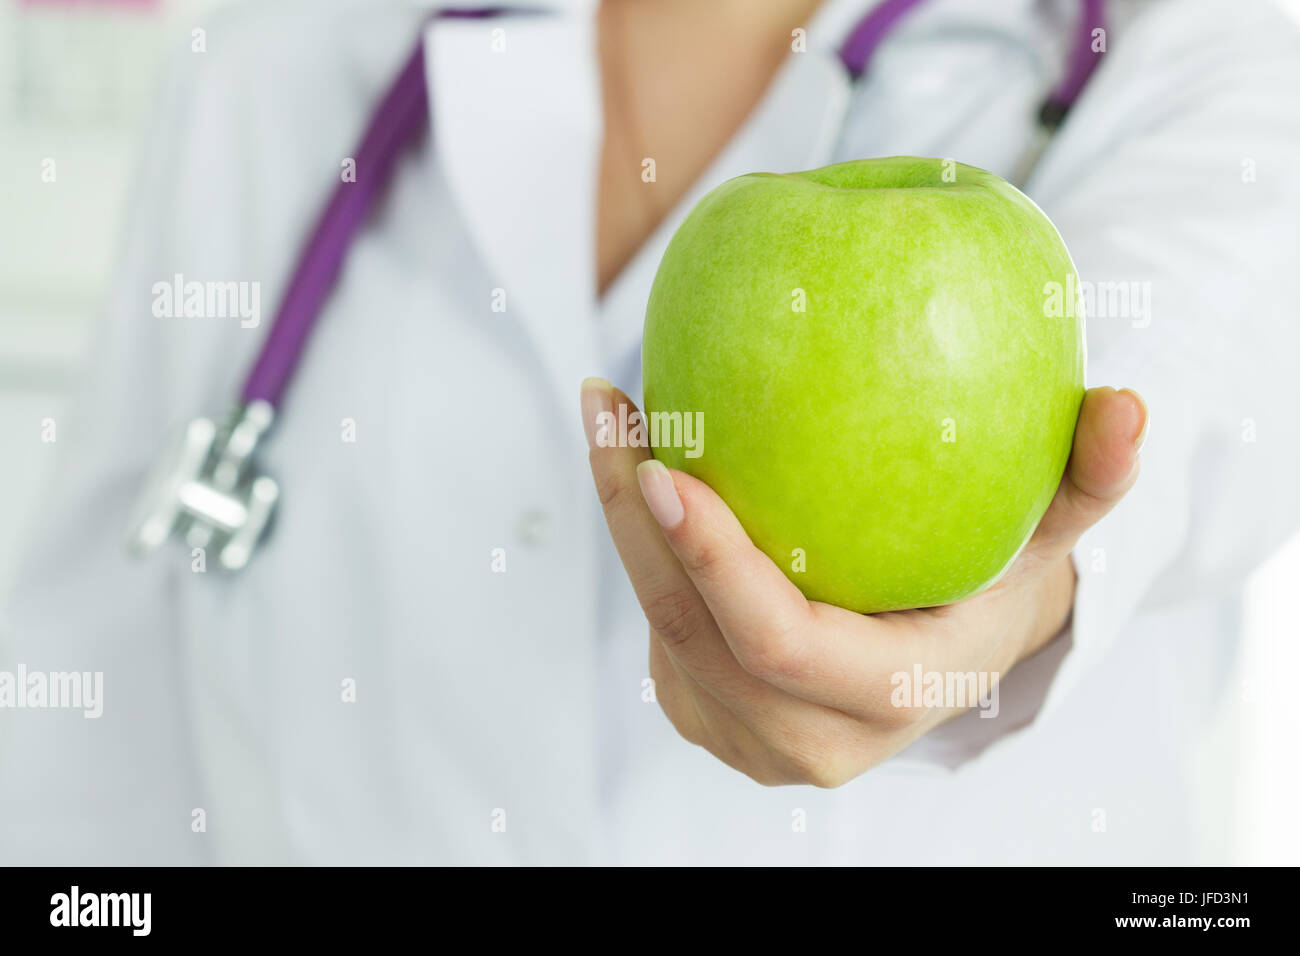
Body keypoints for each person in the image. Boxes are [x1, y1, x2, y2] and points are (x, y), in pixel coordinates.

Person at [1, 0, 1298, 865]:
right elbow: (93, 733)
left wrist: (1026, 581)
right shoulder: (284, 47)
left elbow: (1211, 326)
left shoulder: (1196, 43)